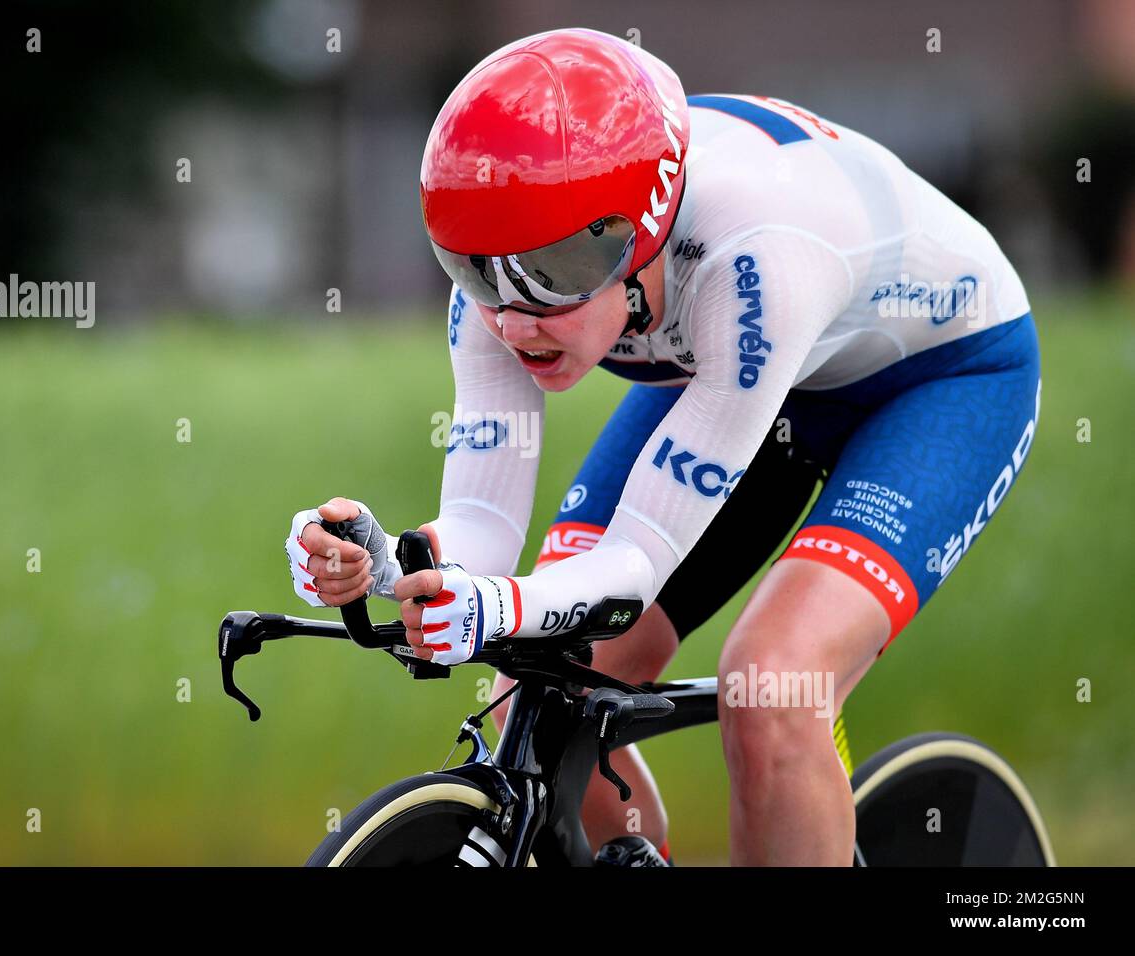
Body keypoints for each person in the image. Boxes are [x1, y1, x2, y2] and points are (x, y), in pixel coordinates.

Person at [285, 28, 1041, 866]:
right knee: (531, 682)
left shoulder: (756, 267)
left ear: (640, 235)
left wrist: (494, 604)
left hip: (940, 377)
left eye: (558, 268)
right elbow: (481, 524)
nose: (514, 319)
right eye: (473, 270)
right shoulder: (506, 275)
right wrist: (387, 562)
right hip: (749, 373)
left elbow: (637, 562)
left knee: (773, 684)